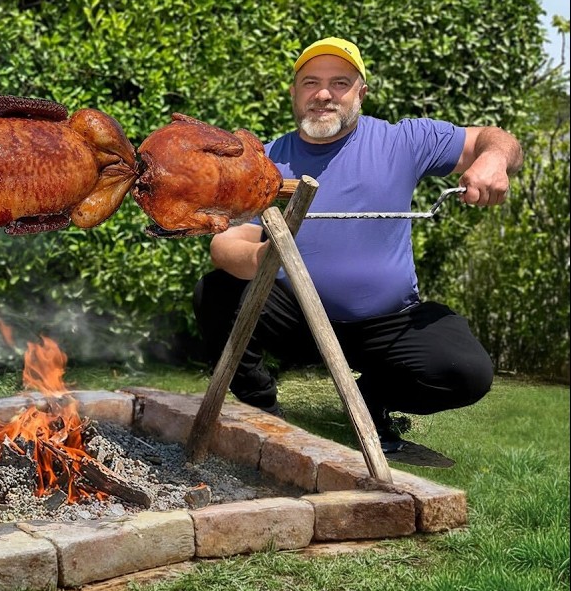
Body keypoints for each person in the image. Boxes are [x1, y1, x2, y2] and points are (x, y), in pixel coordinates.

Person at [193, 37, 523, 460]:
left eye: (340, 82)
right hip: (300, 319)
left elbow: (497, 140)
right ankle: (262, 407)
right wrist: (264, 256)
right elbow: (224, 245)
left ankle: (371, 401)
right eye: (310, 82)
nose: (324, 94)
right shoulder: (265, 160)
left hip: (387, 324)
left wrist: (493, 159)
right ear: (294, 93)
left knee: (468, 372)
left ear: (360, 93)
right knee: (215, 293)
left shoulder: (404, 141)